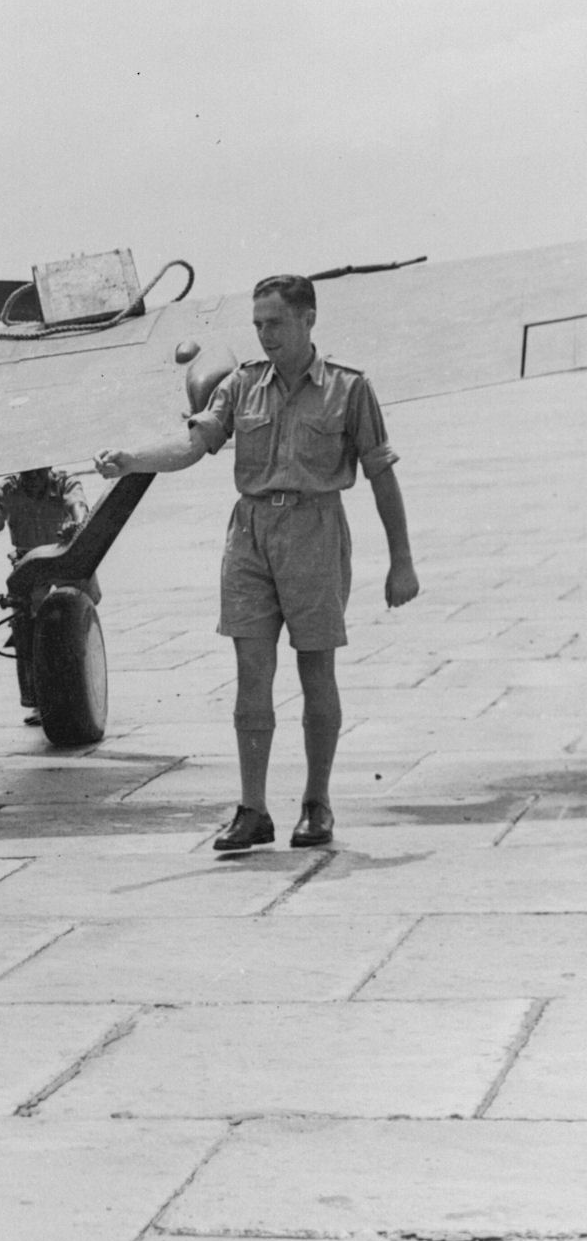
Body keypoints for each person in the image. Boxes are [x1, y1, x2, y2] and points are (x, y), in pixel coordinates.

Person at [95, 273, 418, 852]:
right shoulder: (241, 386)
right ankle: (253, 810)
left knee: (315, 671)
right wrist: (131, 458)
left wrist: (402, 562)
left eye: (276, 323)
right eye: (258, 324)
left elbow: (381, 473)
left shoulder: (350, 388)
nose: (265, 335)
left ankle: (316, 805)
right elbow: (194, 445)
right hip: (249, 536)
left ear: (308, 319)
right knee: (251, 676)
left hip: (315, 532)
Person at [0, 467, 99, 727]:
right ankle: (35, 700)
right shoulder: (7, 489)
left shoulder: (66, 482)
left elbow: (79, 506)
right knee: (25, 627)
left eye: (37, 474)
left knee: (82, 613)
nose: (32, 480)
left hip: (65, 552)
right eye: (26, 475)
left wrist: (77, 525)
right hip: (29, 560)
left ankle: (87, 684)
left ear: (47, 469)